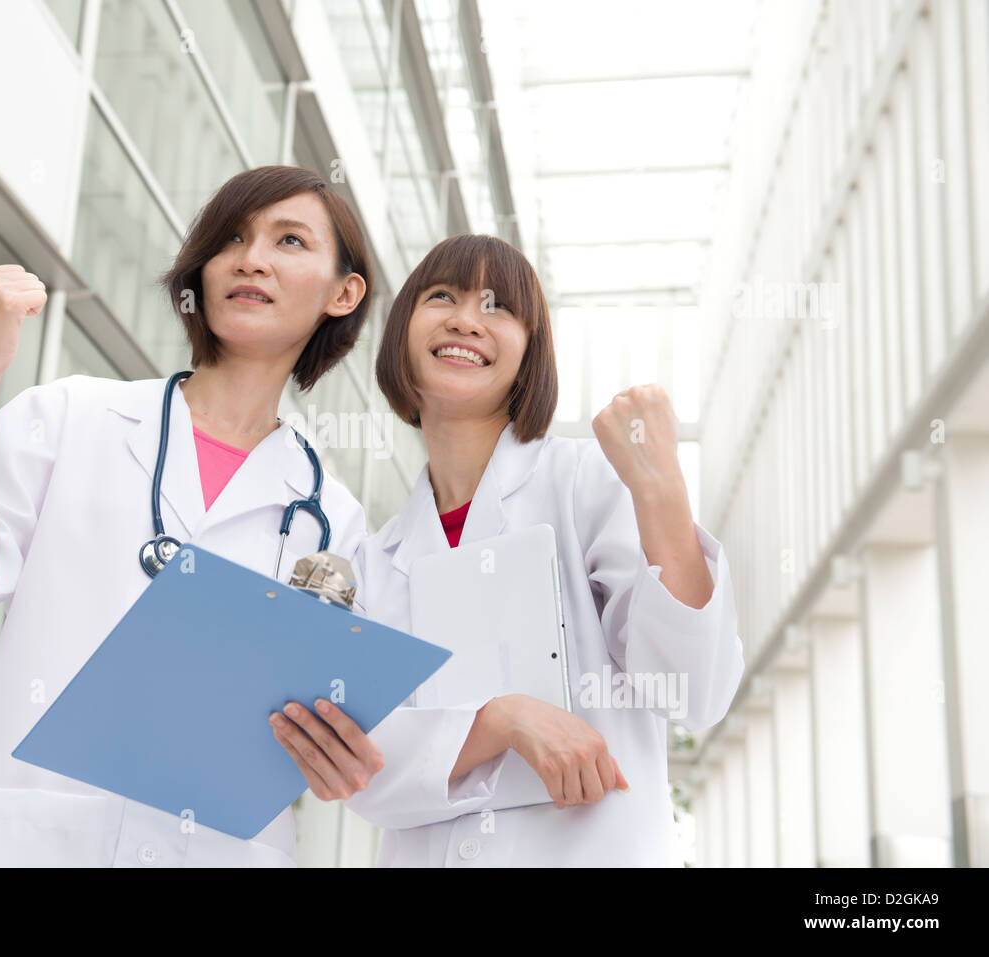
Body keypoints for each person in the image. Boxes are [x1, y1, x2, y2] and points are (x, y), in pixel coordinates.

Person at [0, 165, 373, 867]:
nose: (251, 257)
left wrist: (336, 760)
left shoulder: (333, 519)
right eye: (231, 238)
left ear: (344, 292)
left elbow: (323, 730)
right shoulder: (72, 415)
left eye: (289, 240)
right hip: (25, 837)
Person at [270, 233, 744, 866]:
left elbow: (692, 690)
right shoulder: (376, 561)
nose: (466, 319)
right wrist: (500, 721)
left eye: (497, 307)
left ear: (530, 354)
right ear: (403, 333)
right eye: (443, 297)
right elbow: (363, 771)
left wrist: (661, 492)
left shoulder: (587, 483)